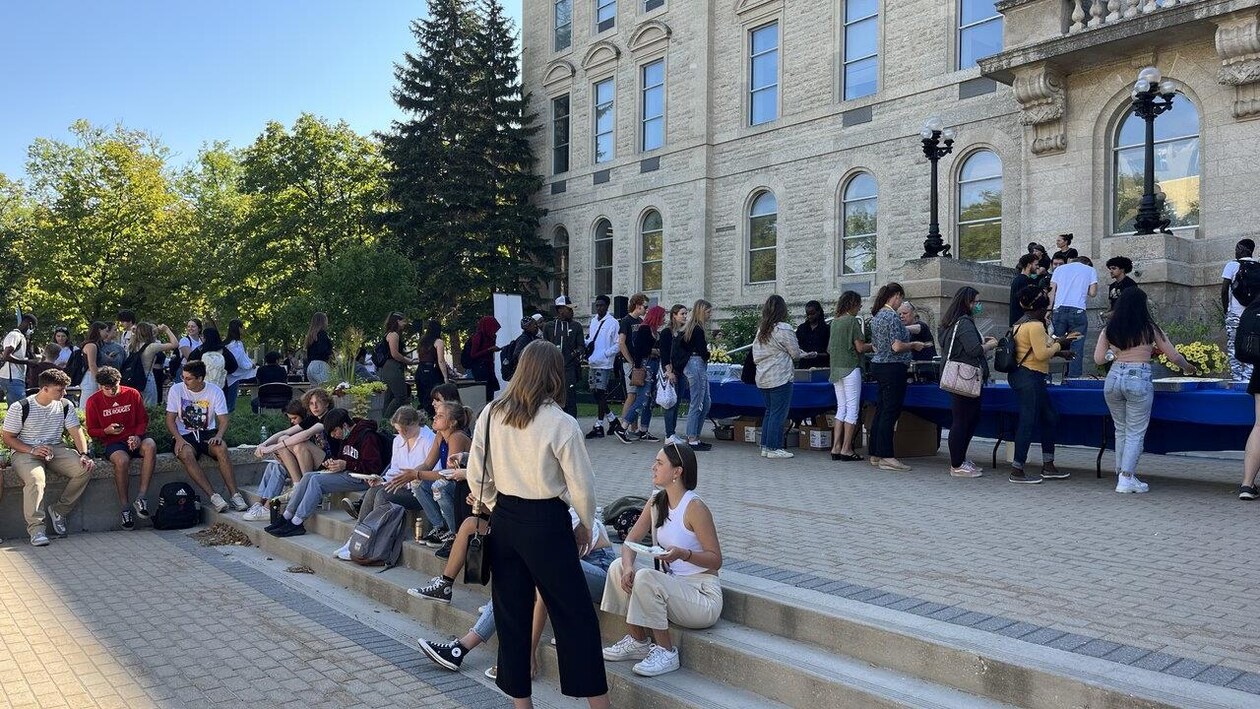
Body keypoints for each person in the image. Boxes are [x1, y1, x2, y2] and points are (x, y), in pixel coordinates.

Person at [465, 340, 609, 708]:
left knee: (512, 614)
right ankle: (598, 705)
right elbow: (583, 485)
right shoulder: (561, 422)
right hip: (546, 521)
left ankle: (522, 705)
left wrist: (498, 504)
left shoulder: (492, 413)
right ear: (555, 374)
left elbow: (476, 471)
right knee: (575, 615)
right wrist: (586, 524)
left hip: (506, 520)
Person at [415, 505, 615, 681]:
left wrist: (530, 653)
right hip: (567, 565)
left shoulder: (551, 511)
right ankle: (459, 644)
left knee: (536, 569)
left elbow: (544, 592)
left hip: (599, 569)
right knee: (520, 569)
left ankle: (473, 648)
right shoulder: (527, 507)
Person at [601, 443, 722, 678]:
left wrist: (683, 554)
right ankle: (638, 641)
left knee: (646, 576)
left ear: (677, 472)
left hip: (702, 595)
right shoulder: (657, 501)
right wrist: (627, 567)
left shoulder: (695, 507)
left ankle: (666, 652)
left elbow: (716, 560)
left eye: (659, 463)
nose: (653, 467)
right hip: (675, 586)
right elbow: (630, 541)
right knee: (618, 567)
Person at [1094, 288, 1195, 493]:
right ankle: (1126, 477)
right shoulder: (1149, 328)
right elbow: (1173, 356)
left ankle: (1121, 473)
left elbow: (1098, 359)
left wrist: (1114, 355)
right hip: (1138, 377)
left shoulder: (1109, 329)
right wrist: (1189, 368)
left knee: (1120, 429)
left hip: (1113, 378)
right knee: (1135, 431)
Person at [1, 368, 95, 546]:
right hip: (25, 451)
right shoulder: (20, 407)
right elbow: (8, 438)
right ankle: (36, 530)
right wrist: (32, 450)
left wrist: (84, 454)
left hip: (55, 449)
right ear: (44, 389)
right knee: (36, 480)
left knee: (85, 468)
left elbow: (76, 432)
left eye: (65, 389)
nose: (64, 393)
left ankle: (59, 510)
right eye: (60, 389)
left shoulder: (65, 405)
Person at [330, 405, 436, 558]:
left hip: (420, 490)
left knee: (383, 495)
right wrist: (382, 479)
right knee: (373, 491)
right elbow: (394, 470)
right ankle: (356, 538)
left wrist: (404, 480)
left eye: (404, 430)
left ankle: (374, 543)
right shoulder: (399, 440)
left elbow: (431, 473)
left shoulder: (428, 440)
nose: (402, 434)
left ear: (414, 424)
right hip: (400, 485)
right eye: (399, 430)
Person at [266, 407, 384, 537]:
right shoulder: (346, 436)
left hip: (363, 477)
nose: (333, 435)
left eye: (334, 431)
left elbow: (374, 467)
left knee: (316, 481)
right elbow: (342, 457)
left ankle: (297, 522)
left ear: (344, 425)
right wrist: (333, 463)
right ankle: (287, 516)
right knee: (308, 476)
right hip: (348, 473)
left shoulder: (367, 436)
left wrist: (346, 464)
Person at [1009, 285, 1080, 484]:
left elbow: (1036, 347)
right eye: (1046, 309)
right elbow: (1041, 353)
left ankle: (1048, 465)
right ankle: (1017, 470)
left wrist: (1058, 349)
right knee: (1028, 421)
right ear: (1039, 309)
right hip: (1030, 377)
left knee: (1049, 417)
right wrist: (1061, 344)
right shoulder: (1036, 326)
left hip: (1026, 376)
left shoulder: (1019, 324)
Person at [383, 400, 472, 557]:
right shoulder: (440, 435)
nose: (435, 418)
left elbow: (448, 474)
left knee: (440, 486)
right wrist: (408, 475)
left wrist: (415, 474)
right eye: (436, 414)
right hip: (452, 481)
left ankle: (454, 533)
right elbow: (427, 464)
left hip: (464, 484)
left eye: (440, 416)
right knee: (417, 484)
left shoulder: (456, 437)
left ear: (452, 422)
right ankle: (439, 527)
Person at [165, 360, 248, 512]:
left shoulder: (214, 391)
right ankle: (214, 496)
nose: (184, 381)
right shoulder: (176, 390)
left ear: (200, 378)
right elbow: (170, 419)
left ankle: (235, 495)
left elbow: (223, 420)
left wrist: (219, 436)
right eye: (183, 377)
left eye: (188, 378)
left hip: (206, 433)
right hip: (184, 434)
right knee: (186, 453)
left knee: (221, 448)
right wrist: (178, 439)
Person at [84, 366, 157, 529]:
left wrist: (137, 436)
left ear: (119, 381)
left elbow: (143, 420)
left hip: (134, 437)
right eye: (107, 389)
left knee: (150, 445)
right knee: (122, 461)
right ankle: (125, 507)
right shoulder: (93, 401)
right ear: (100, 386)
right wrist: (106, 430)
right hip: (112, 442)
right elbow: (91, 430)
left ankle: (141, 497)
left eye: (114, 387)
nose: (111, 392)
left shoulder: (132, 393)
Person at [868, 283, 929, 472]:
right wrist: (914, 345)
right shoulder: (891, 316)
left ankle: (876, 453)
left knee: (881, 409)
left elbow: (877, 346)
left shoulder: (877, 316)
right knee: (890, 412)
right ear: (896, 296)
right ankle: (887, 456)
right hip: (893, 367)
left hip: (879, 365)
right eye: (900, 299)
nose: (900, 303)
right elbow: (896, 346)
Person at [939, 287, 998, 478]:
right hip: (964, 377)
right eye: (976, 302)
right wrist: (990, 345)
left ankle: (961, 460)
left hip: (960, 376)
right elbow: (973, 350)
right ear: (967, 302)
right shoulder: (964, 322)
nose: (978, 306)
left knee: (966, 419)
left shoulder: (950, 321)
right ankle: (956, 465)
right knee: (962, 421)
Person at [254, 388, 336, 499]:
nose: (315, 407)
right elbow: (285, 432)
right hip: (318, 460)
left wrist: (272, 448)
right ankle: (297, 485)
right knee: (283, 439)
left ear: (326, 404)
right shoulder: (313, 418)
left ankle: (305, 487)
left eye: (318, 403)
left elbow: (305, 435)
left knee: (299, 444)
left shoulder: (330, 417)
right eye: (311, 403)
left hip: (332, 461)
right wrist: (263, 444)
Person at [752, 294, 802, 459]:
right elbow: (795, 353)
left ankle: (766, 446)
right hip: (780, 375)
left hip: (763, 376)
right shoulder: (784, 328)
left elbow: (755, 355)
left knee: (770, 412)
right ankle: (774, 447)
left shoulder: (762, 330)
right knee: (779, 413)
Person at [827, 291, 870, 461]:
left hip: (836, 369)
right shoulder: (852, 321)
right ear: (852, 304)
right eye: (859, 304)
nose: (860, 307)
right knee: (852, 409)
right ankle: (846, 448)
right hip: (851, 368)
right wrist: (873, 346)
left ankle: (835, 447)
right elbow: (860, 348)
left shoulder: (835, 322)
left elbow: (830, 348)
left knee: (841, 408)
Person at [1048, 248, 1097, 377]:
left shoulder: (1059, 269)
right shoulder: (1090, 270)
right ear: (1087, 264)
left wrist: (1048, 309)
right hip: (1078, 310)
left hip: (1058, 309)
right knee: (1077, 344)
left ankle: (1048, 376)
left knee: (1054, 342)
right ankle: (1073, 377)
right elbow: (1093, 293)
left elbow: (1051, 291)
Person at [675, 299, 714, 452]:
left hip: (694, 364)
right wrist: (708, 354)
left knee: (705, 401)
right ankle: (692, 438)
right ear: (702, 311)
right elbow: (703, 351)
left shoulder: (691, 328)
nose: (710, 315)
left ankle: (694, 435)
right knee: (698, 402)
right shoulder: (697, 329)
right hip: (696, 364)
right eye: (708, 312)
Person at [624, 305, 666, 442]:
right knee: (642, 397)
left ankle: (644, 429)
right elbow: (639, 350)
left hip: (653, 365)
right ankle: (623, 426)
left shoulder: (655, 331)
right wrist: (637, 368)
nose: (664, 319)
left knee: (650, 399)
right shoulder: (644, 329)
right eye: (662, 316)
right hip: (645, 365)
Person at [613, 293, 648, 442]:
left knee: (637, 395)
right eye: (645, 306)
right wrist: (630, 361)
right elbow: (621, 343)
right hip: (630, 363)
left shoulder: (640, 321)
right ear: (637, 305)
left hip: (638, 362)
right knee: (631, 394)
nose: (646, 309)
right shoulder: (626, 321)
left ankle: (633, 427)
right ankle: (623, 427)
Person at [584, 295, 619, 439]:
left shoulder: (613, 322)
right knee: (595, 393)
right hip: (593, 361)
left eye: (602, 305)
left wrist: (606, 354)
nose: (599, 308)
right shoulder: (593, 321)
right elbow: (591, 340)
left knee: (601, 392)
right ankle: (612, 419)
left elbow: (618, 344)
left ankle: (599, 424)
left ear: (607, 306)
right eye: (597, 305)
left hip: (604, 363)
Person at [1222, 238, 1257, 382]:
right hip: (1253, 315)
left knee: (1233, 346)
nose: (1235, 251)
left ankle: (1236, 379)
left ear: (1242, 248)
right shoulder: (1258, 266)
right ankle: (1248, 380)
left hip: (1235, 314)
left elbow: (1224, 290)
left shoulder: (1232, 265)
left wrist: (1226, 311)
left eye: (1237, 248)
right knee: (1252, 346)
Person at [548, 296, 585, 419]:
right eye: (568, 309)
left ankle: (572, 427)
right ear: (560, 310)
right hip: (553, 370)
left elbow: (581, 346)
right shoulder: (549, 326)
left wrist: (575, 353)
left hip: (569, 369)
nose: (571, 311)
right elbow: (545, 347)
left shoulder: (576, 326)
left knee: (570, 399)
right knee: (553, 399)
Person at [378, 312, 417, 419]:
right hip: (393, 367)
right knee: (401, 396)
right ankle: (387, 419)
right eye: (403, 321)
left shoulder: (387, 334)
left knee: (389, 396)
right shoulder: (394, 335)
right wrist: (408, 361)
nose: (405, 324)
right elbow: (395, 354)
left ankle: (384, 422)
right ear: (397, 321)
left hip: (387, 368)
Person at [130, 323, 179, 406]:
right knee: (150, 407)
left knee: (136, 406)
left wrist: (133, 332)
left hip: (133, 378)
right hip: (147, 377)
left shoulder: (132, 346)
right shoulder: (152, 347)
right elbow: (175, 344)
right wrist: (167, 330)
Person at [661, 304, 688, 445]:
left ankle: (672, 432)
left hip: (680, 372)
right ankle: (668, 434)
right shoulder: (667, 333)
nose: (684, 316)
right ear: (674, 315)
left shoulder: (683, 333)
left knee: (677, 403)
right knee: (670, 403)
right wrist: (669, 371)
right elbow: (665, 354)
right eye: (682, 314)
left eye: (685, 314)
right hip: (671, 371)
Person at [414, 319, 452, 418]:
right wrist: (445, 377)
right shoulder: (438, 342)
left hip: (420, 370)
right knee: (434, 395)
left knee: (423, 396)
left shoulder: (422, 341)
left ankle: (423, 416)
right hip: (432, 371)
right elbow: (440, 360)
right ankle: (433, 416)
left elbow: (419, 358)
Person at [0, 313, 37, 404]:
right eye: (32, 327)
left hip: (15, 377)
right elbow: (6, 356)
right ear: (29, 324)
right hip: (12, 378)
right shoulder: (15, 335)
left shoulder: (21, 337)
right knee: (20, 409)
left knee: (16, 410)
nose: (32, 330)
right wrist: (27, 362)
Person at [223, 319, 256, 412]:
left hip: (227, 375)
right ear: (239, 329)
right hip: (232, 376)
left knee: (226, 401)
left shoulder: (228, 343)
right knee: (230, 404)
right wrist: (250, 365)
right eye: (242, 328)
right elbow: (239, 360)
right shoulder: (235, 344)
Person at [468, 315, 502, 402]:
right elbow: (473, 355)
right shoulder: (478, 337)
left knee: (490, 391)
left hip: (489, 366)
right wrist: (489, 350)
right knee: (484, 392)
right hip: (480, 368)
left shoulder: (491, 336)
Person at [79, 321, 108, 405]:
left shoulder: (95, 345)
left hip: (91, 376)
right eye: (105, 331)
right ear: (99, 330)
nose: (107, 333)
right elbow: (92, 364)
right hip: (90, 377)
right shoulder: (92, 345)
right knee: (87, 404)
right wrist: (99, 381)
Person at [796, 300, 830, 369]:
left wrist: (816, 354)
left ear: (819, 312)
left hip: (821, 365)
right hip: (804, 366)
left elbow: (830, 351)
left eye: (812, 314)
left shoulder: (827, 329)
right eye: (807, 314)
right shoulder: (801, 328)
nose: (810, 316)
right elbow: (796, 345)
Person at [1010, 254, 1039, 327]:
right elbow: (1024, 303)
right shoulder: (1024, 281)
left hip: (1019, 321)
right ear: (1029, 265)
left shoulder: (1018, 279)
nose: (1038, 267)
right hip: (1022, 322)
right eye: (1036, 264)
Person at [304, 312, 333, 384]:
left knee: (315, 393)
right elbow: (323, 350)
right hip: (320, 365)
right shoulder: (322, 334)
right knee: (325, 390)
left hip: (311, 366)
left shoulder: (311, 336)